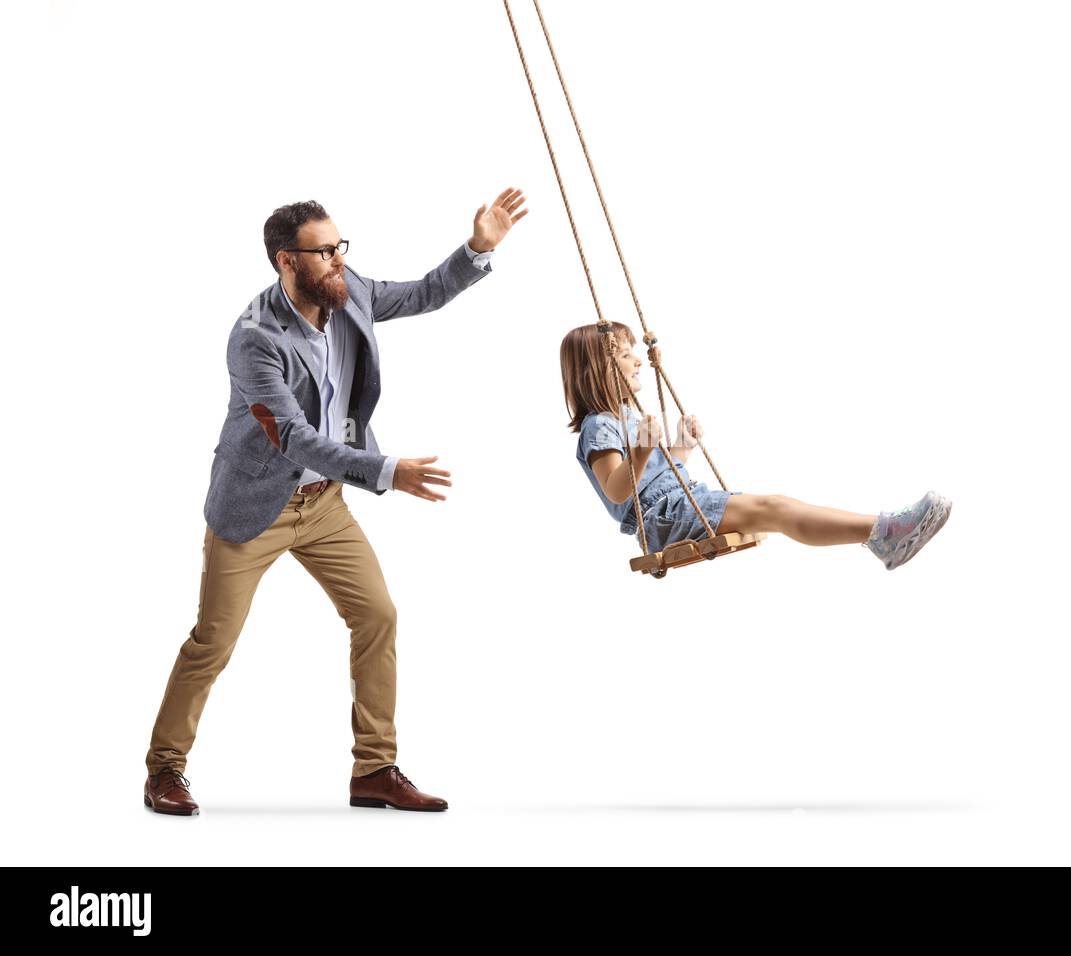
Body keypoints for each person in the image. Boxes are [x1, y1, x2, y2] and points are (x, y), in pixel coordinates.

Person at [144, 190, 528, 815]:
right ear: (285, 262)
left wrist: (479, 247)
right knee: (213, 639)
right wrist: (385, 470)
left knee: (377, 615)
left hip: (323, 506)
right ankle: (164, 769)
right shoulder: (254, 340)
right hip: (254, 508)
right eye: (324, 252)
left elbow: (426, 292)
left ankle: (374, 769)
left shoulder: (350, 293)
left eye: (340, 246)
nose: (339, 260)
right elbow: (295, 436)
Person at [560, 321, 951, 567]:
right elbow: (617, 492)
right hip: (665, 518)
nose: (638, 362)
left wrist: (681, 447)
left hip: (680, 502)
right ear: (601, 367)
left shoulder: (629, 415)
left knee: (777, 507)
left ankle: (880, 534)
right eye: (627, 355)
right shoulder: (600, 424)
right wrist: (644, 450)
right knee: (775, 507)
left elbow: (655, 476)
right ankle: (882, 533)